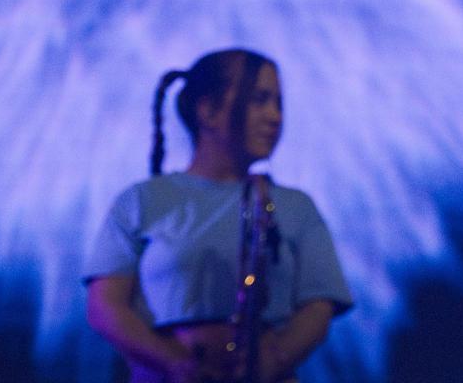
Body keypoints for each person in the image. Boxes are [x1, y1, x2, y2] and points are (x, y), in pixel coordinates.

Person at [83, 49, 352, 383]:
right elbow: (105, 307)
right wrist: (172, 362)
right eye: (260, 100)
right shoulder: (141, 201)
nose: (274, 116)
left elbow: (318, 307)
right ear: (207, 111)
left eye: (279, 103)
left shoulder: (296, 208)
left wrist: (273, 361)